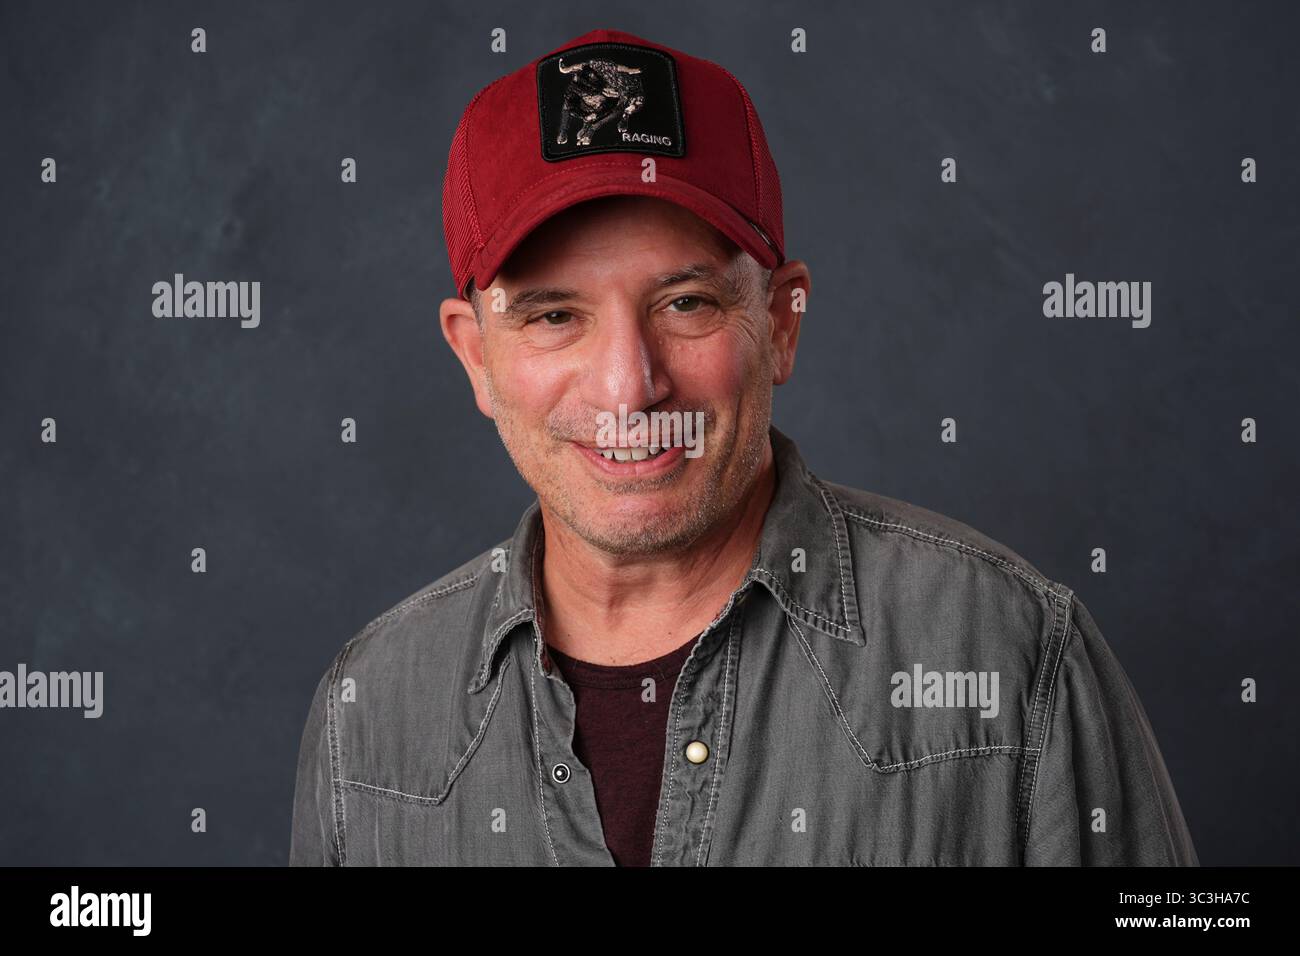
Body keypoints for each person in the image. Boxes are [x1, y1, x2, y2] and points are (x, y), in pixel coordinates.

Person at [289, 27, 1198, 866]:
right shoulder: (370, 716)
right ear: (475, 356)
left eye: (686, 303)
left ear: (781, 319)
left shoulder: (1007, 655)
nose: (629, 386)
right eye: (555, 316)